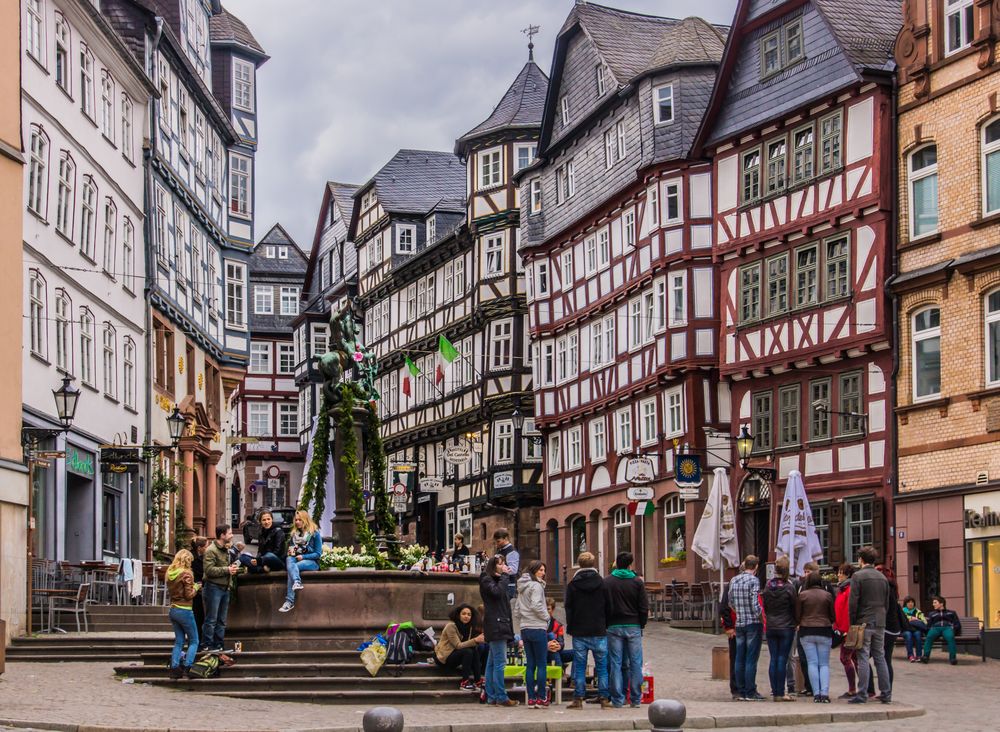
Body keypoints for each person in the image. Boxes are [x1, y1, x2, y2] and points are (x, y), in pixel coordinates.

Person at [564, 551, 612, 710]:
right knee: (602, 667)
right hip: (598, 629)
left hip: (579, 631)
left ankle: (578, 699)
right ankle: (604, 698)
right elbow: (609, 606)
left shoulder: (573, 585)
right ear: (593, 564)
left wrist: (571, 625)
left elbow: (569, 608)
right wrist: (605, 623)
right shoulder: (602, 583)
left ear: (579, 564)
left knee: (579, 666)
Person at [848, 546, 892, 704]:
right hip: (880, 620)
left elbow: (853, 602)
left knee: (863, 657)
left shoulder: (858, 576)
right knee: (880, 656)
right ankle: (886, 693)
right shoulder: (882, 577)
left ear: (861, 559)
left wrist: (853, 622)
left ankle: (862, 694)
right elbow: (886, 602)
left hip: (864, 620)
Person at [604, 551, 648, 709]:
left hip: (613, 626)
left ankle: (617, 699)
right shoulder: (637, 582)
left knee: (615, 663)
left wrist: (606, 622)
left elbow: (604, 605)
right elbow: (643, 606)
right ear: (630, 564)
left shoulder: (608, 581)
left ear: (616, 563)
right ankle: (635, 698)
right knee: (635, 662)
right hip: (633, 625)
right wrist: (641, 623)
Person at [479, 554, 519, 706]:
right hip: (496, 626)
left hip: (500, 625)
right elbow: (496, 593)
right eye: (501, 564)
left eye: (504, 563)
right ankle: (501, 696)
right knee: (500, 663)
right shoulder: (486, 579)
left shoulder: (497, 580)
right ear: (493, 565)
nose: (504, 566)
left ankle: (491, 696)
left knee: (491, 663)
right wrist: (504, 576)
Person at [729, 554, 766, 702]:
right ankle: (750, 691)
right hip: (752, 622)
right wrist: (760, 616)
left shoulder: (734, 579)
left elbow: (730, 601)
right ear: (756, 566)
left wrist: (738, 611)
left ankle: (741, 690)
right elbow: (755, 602)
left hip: (739, 623)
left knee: (739, 658)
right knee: (751, 658)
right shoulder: (754, 580)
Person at [796, 571, 835, 703]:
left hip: (806, 630)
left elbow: (797, 615)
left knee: (812, 663)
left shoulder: (802, 595)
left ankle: (816, 693)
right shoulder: (827, 595)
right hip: (824, 630)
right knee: (824, 664)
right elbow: (832, 615)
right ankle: (825, 693)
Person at [762, 556, 797, 702]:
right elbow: (795, 607)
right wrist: (795, 621)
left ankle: (774, 690)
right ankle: (780, 692)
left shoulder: (768, 585)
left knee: (774, 658)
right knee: (782, 659)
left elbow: (765, 605)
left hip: (771, 626)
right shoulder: (789, 587)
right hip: (786, 626)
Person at [200, 524, 239, 652]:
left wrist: (232, 568)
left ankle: (219, 645)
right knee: (211, 619)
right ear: (222, 535)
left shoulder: (225, 549)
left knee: (222, 620)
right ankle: (207, 645)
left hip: (224, 588)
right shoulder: (211, 550)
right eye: (229, 533)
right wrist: (227, 570)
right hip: (213, 587)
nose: (232, 535)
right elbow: (208, 570)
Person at [517, 560, 550, 708]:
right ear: (534, 570)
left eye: (544, 570)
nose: (543, 573)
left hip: (525, 628)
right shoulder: (536, 586)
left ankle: (530, 698)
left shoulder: (522, 586)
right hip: (537, 626)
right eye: (540, 570)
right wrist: (546, 617)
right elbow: (536, 605)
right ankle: (541, 697)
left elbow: (517, 609)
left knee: (530, 664)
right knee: (541, 664)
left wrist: (523, 619)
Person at [278, 510, 322, 613]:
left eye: (300, 520)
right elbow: (291, 552)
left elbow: (318, 554)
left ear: (305, 520)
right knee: (289, 559)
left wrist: (303, 556)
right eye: (296, 520)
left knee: (293, 567)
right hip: (297, 558)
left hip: (312, 562)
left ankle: (289, 601)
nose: (297, 522)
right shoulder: (294, 535)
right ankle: (297, 582)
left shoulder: (314, 534)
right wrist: (291, 551)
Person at [166, 548, 200, 679]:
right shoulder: (186, 574)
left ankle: (174, 668)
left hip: (173, 609)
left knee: (179, 641)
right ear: (187, 560)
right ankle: (187, 666)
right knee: (194, 640)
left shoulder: (170, 573)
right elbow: (188, 595)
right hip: (185, 610)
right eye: (190, 560)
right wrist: (196, 587)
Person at [434, 603, 485, 690]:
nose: (466, 616)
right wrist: (476, 640)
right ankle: (464, 683)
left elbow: (468, 645)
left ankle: (477, 681)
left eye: (469, 614)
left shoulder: (469, 627)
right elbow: (458, 645)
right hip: (443, 658)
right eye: (463, 614)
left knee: (474, 650)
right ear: (458, 615)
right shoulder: (451, 626)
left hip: (456, 656)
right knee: (468, 651)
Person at [921, 596, 961, 664]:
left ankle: (953, 658)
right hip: (935, 628)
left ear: (941, 604)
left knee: (950, 637)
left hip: (947, 628)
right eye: (933, 603)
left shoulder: (951, 613)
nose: (933, 604)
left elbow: (957, 624)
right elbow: (928, 625)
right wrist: (929, 630)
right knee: (929, 637)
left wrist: (953, 629)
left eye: (935, 602)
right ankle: (925, 656)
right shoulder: (932, 614)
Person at [720, 575, 740, 701]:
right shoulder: (731, 585)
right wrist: (729, 626)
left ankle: (740, 687)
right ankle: (737, 687)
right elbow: (724, 607)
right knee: (736, 657)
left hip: (738, 627)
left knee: (738, 657)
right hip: (736, 627)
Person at [545, 597, 573, 666]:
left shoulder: (558, 625)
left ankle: (573, 674)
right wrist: (546, 646)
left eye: (548, 609)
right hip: (542, 652)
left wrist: (558, 646)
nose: (546, 611)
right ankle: (560, 669)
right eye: (544, 609)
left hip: (555, 652)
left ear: (553, 609)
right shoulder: (537, 624)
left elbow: (561, 642)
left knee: (577, 653)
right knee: (551, 636)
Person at [493, 529, 519, 599]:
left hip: (508, 586)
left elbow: (513, 570)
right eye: (496, 541)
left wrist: (498, 573)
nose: (497, 543)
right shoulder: (500, 550)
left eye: (498, 541)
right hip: (501, 584)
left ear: (506, 538)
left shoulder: (512, 552)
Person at [189, 536, 208, 634]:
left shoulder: (202, 557)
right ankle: (197, 638)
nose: (207, 549)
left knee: (200, 615)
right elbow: (201, 571)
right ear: (199, 548)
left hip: (200, 588)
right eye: (206, 547)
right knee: (198, 615)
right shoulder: (193, 558)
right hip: (195, 589)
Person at [901, 596, 927, 662]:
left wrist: (916, 619)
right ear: (905, 604)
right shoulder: (902, 611)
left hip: (915, 629)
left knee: (918, 634)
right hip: (905, 629)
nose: (910, 604)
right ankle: (910, 655)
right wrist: (910, 618)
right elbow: (900, 621)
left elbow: (924, 622)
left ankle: (919, 655)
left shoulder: (918, 611)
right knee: (908, 635)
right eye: (908, 602)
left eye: (912, 602)